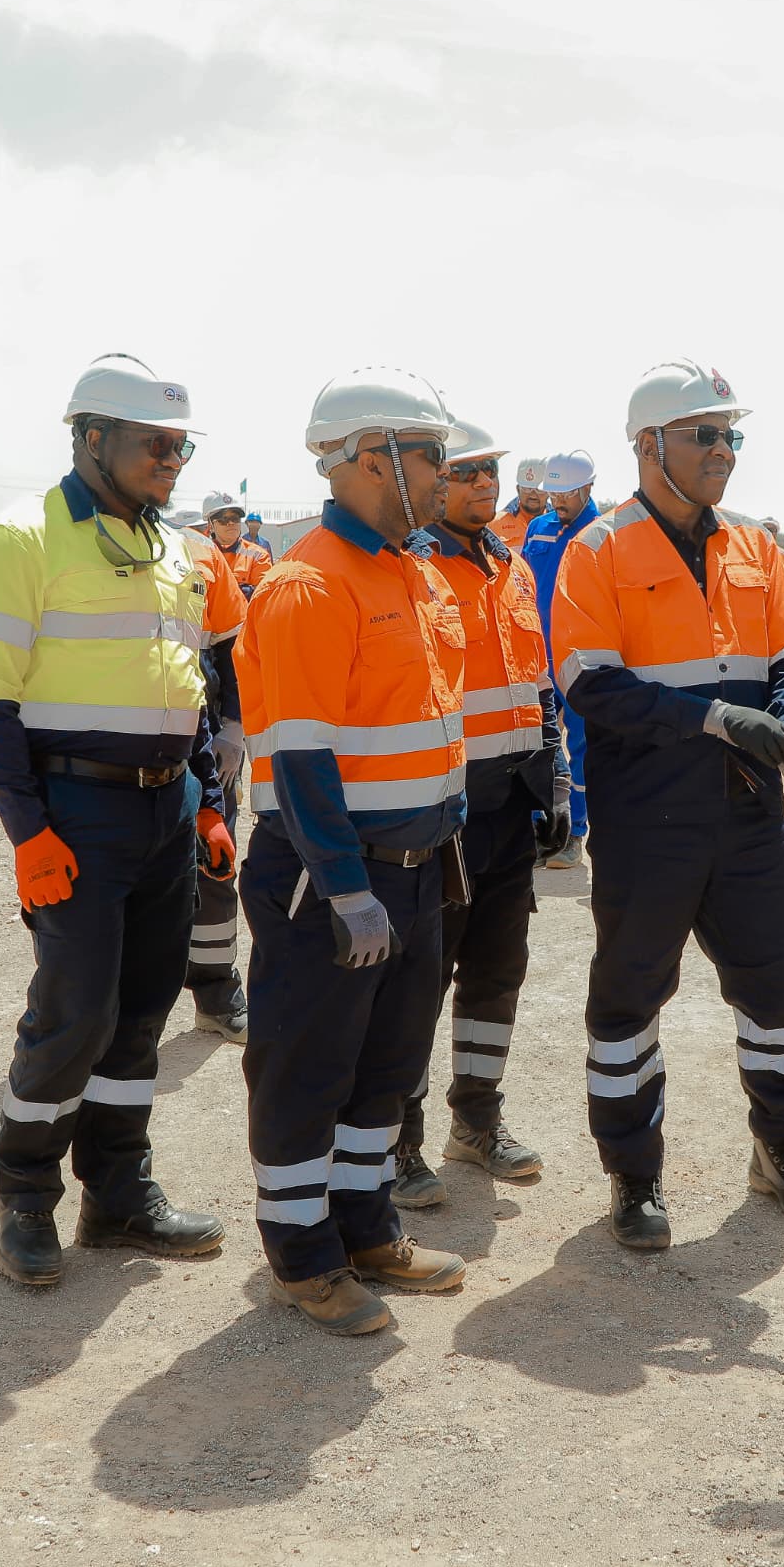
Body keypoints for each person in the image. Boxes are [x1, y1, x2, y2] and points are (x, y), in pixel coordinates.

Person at [552, 361, 784, 1250]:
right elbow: (590, 685)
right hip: (648, 819)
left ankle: (783, 1152)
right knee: (629, 1003)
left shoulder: (757, 547)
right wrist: (717, 719)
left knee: (778, 994)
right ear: (649, 446)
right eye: (705, 434)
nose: (724, 450)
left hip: (747, 818)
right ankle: (634, 1177)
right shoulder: (599, 550)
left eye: (732, 434)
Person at [0, 353, 232, 1288]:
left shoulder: (177, 549)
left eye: (182, 446)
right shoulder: (21, 539)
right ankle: (25, 1192)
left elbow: (186, 687)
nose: (172, 460)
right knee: (75, 1012)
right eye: (155, 443)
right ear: (90, 438)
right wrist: (28, 832)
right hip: (75, 812)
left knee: (143, 1011)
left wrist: (209, 805)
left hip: (166, 809)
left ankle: (118, 1195)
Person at [235, 368, 474, 1334]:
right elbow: (299, 757)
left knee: (386, 1065)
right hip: (331, 879)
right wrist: (343, 887)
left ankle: (365, 1228)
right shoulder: (308, 584)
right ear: (371, 459)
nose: (445, 473)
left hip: (416, 872)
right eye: (432, 456)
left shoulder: (412, 569)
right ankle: (302, 1257)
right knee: (307, 1066)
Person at [389, 419, 564, 1209]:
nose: (482, 485)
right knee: (420, 980)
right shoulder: (413, 568)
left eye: (489, 471)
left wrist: (558, 784)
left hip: (509, 810)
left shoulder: (512, 565)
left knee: (497, 974)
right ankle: (399, 1137)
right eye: (464, 474)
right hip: (443, 813)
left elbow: (539, 685)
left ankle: (477, 1121)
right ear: (432, 481)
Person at [178, 506, 256, 1041]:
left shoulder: (201, 554)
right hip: (108, 744)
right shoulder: (64, 542)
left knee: (215, 860)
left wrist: (234, 726)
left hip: (203, 743)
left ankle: (214, 988)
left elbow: (234, 649)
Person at [522, 450, 600, 869]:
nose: (557, 501)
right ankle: (540, 830)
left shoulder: (604, 533)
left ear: (589, 487)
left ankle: (575, 833)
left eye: (566, 493)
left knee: (582, 748)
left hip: (584, 660)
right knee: (535, 747)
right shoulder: (539, 528)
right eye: (553, 493)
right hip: (539, 659)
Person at [200, 488, 272, 599]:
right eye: (223, 520)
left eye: (235, 518)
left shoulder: (258, 556)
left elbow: (263, 595)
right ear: (210, 525)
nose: (231, 523)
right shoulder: (200, 554)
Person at [492, 457, 547, 548]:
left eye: (539, 489)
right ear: (518, 489)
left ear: (549, 491)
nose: (533, 495)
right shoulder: (494, 523)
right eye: (527, 488)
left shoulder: (561, 524)